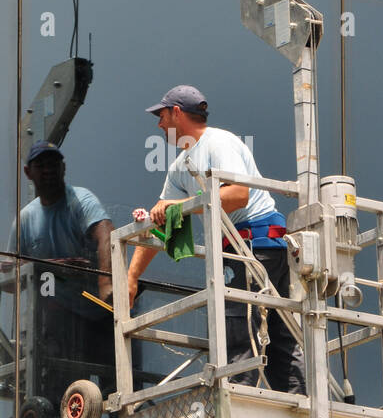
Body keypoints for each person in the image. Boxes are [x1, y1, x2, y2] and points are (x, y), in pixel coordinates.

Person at [128, 86, 306, 394]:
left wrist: (178, 207)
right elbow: (163, 225)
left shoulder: (218, 142)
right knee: (275, 333)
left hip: (255, 246)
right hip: (245, 250)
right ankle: (291, 401)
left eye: (161, 115)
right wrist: (131, 278)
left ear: (177, 113)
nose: (158, 125)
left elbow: (238, 195)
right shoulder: (180, 166)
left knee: (239, 326)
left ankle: (239, 398)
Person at [0, 142, 115, 418]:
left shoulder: (81, 200)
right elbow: (15, 278)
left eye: (54, 164)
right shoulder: (26, 220)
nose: (49, 171)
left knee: (117, 393)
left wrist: (107, 286)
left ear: (63, 167)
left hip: (101, 317)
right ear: (29, 172)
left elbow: (106, 234)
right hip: (62, 322)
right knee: (65, 401)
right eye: (41, 166)